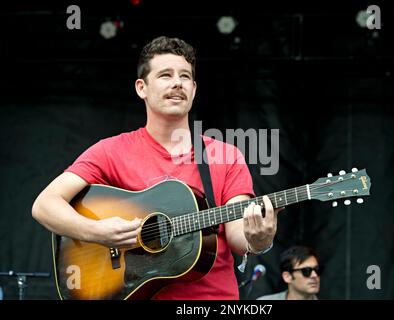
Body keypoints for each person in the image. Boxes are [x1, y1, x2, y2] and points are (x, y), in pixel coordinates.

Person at [31, 36, 280, 300]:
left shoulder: (225, 155)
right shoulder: (111, 150)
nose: (177, 83)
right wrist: (99, 232)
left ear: (194, 90)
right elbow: (44, 205)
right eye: (165, 75)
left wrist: (259, 241)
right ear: (142, 88)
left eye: (185, 76)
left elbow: (238, 237)